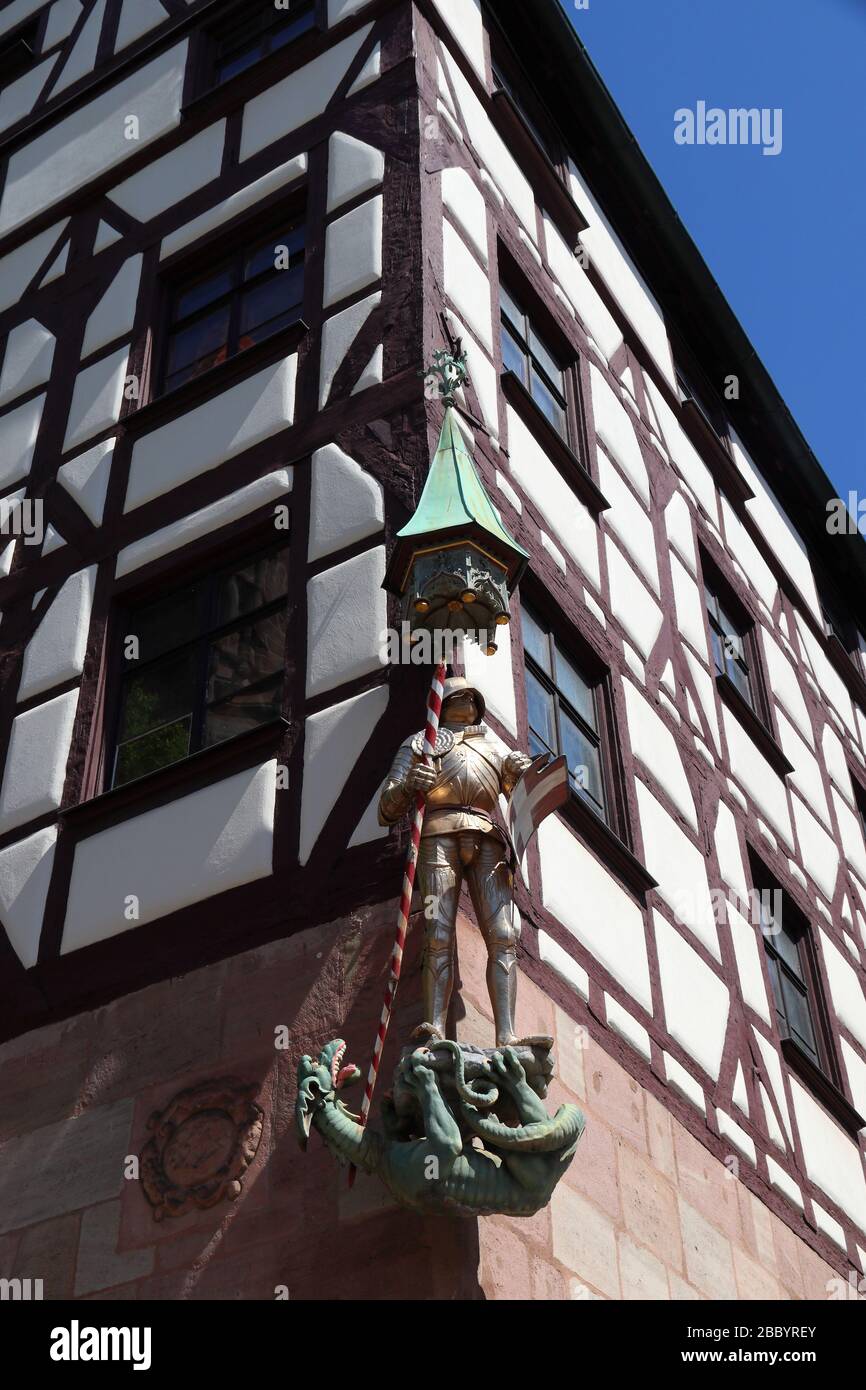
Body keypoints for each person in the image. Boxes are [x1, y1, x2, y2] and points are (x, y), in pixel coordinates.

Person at [378, 676, 532, 1046]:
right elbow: (386, 808)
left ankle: (507, 1034)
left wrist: (519, 774)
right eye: (459, 697)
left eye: (470, 698)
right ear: (445, 703)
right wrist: (411, 783)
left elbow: (519, 798)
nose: (466, 702)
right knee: (438, 932)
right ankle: (434, 1026)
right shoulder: (420, 743)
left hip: (487, 837)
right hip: (437, 835)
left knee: (504, 934)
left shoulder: (493, 748)